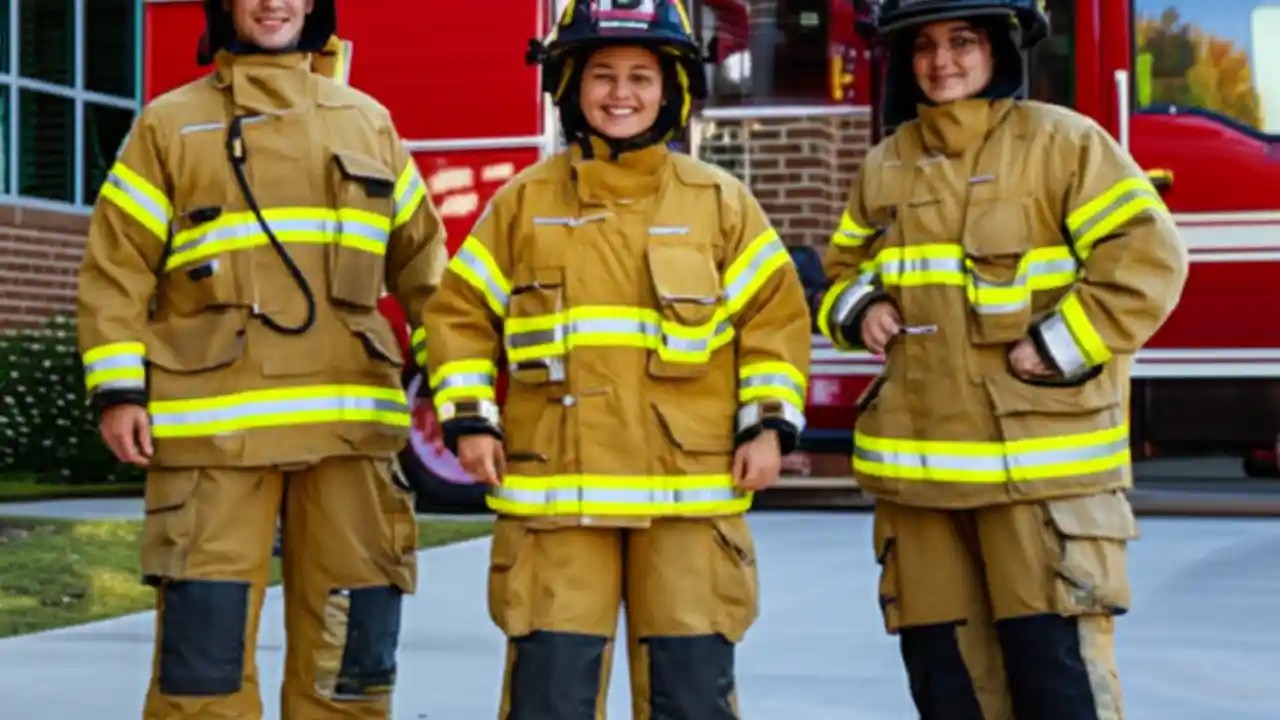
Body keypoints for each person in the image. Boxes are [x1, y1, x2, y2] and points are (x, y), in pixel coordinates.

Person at [423, 0, 811, 716]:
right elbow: (459, 316)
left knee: (691, 695)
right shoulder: (521, 203)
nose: (621, 93)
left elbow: (775, 323)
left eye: (641, 75)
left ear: (673, 91)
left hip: (689, 504)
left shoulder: (720, 204)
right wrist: (471, 420)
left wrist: (767, 426)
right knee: (550, 694)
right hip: (557, 504)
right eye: (602, 75)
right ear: (571, 86)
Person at [75, 0, 447, 717]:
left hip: (350, 430)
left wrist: (458, 393)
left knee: (350, 661)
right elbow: (117, 267)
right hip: (211, 438)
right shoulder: (169, 125)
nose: (273, 2)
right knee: (200, 673)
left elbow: (427, 274)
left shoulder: (367, 120)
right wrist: (119, 391)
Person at [817, 1, 1188, 718]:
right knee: (948, 688)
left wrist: (1061, 344)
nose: (941, 61)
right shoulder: (885, 164)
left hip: (1042, 484)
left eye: (962, 41)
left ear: (1001, 50)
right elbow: (840, 270)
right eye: (923, 45)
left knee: (1058, 687)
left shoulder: (1067, 144)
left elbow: (1147, 257)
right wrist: (861, 306)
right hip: (919, 487)